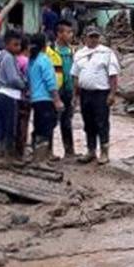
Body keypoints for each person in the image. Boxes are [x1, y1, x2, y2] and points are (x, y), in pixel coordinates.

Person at [72, 26, 121, 164]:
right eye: (91, 36)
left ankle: (104, 152)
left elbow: (113, 75)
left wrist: (112, 93)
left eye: (96, 37)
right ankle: (91, 150)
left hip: (101, 93)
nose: (93, 39)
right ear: (84, 38)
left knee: (102, 122)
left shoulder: (106, 53)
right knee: (88, 123)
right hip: (85, 93)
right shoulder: (79, 54)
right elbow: (75, 76)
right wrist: (75, 96)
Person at [0, 30, 28, 160]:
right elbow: (13, 79)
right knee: (9, 126)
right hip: (9, 94)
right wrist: (25, 84)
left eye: (19, 45)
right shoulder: (8, 57)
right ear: (7, 44)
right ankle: (8, 156)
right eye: (15, 45)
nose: (18, 48)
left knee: (0, 125)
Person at [28, 33, 63, 162]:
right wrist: (57, 100)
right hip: (45, 98)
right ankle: (41, 159)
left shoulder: (31, 60)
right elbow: (50, 82)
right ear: (45, 44)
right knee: (46, 128)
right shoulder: (44, 59)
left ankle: (37, 155)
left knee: (38, 127)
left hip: (34, 99)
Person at [53, 19, 77, 160]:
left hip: (69, 90)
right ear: (59, 33)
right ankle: (47, 152)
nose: (71, 35)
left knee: (67, 122)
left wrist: (75, 93)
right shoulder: (51, 51)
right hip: (55, 91)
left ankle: (69, 151)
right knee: (51, 122)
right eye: (68, 32)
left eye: (71, 32)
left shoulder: (72, 51)